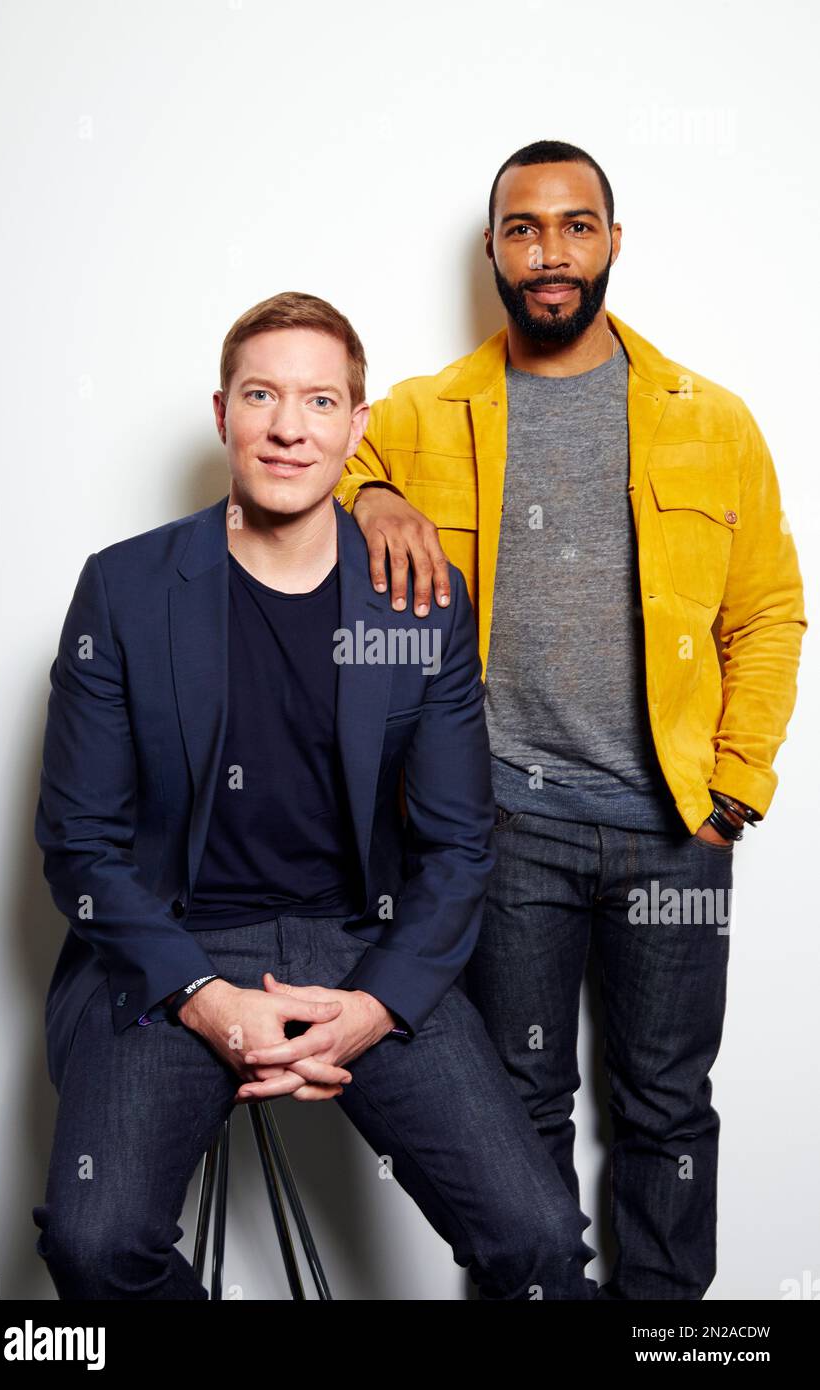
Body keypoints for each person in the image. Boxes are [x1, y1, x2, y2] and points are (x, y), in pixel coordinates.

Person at [31, 290, 598, 1300]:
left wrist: (379, 1001)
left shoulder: (417, 599)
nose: (289, 426)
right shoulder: (122, 588)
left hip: (358, 947)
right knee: (93, 1238)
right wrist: (206, 1001)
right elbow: (79, 845)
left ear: (356, 426)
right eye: (261, 395)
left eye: (319, 401)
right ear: (221, 413)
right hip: (175, 952)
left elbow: (460, 846)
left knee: (541, 1239)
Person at [335, 141, 807, 1299]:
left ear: (610, 242)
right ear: (492, 249)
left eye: (574, 225)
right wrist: (377, 487)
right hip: (502, 823)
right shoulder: (423, 412)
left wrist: (735, 788)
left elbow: (769, 610)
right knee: (517, 1105)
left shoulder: (713, 420)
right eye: (523, 228)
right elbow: (309, 461)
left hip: (673, 823)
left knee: (664, 1105)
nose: (550, 252)